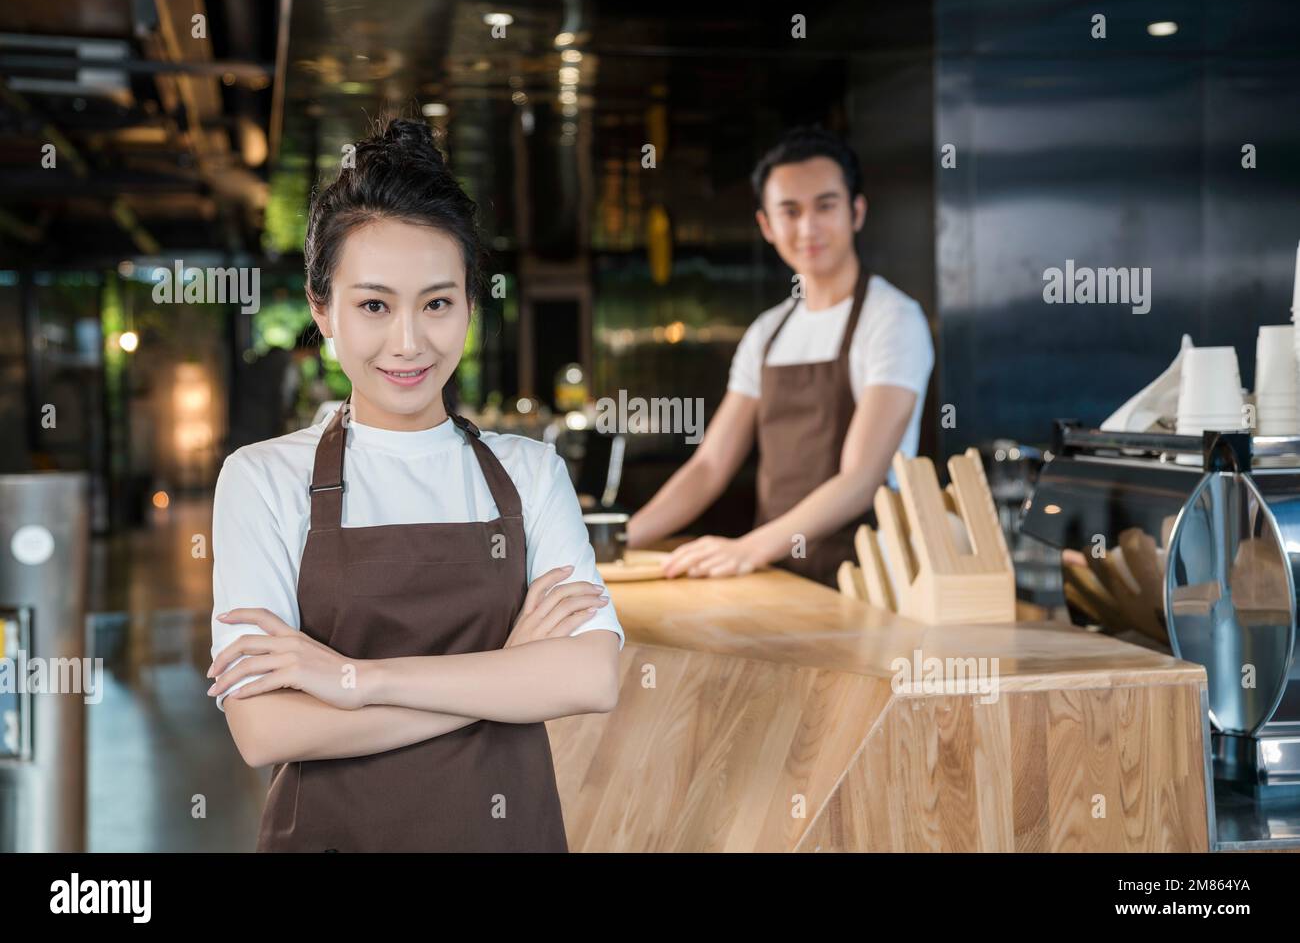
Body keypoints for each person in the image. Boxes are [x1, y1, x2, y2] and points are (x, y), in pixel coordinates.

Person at [206, 116, 623, 852]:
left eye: (437, 303)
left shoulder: (529, 473)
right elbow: (265, 727)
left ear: (469, 302)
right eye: (374, 305)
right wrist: (504, 677)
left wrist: (351, 679)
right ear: (321, 309)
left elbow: (590, 678)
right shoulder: (262, 479)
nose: (409, 341)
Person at [627, 125, 934, 587]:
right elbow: (710, 466)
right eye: (790, 211)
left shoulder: (894, 320)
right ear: (767, 226)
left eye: (825, 206)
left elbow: (861, 477)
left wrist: (747, 548)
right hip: (781, 573)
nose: (808, 228)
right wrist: (621, 539)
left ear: (856, 211)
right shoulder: (768, 332)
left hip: (869, 579)